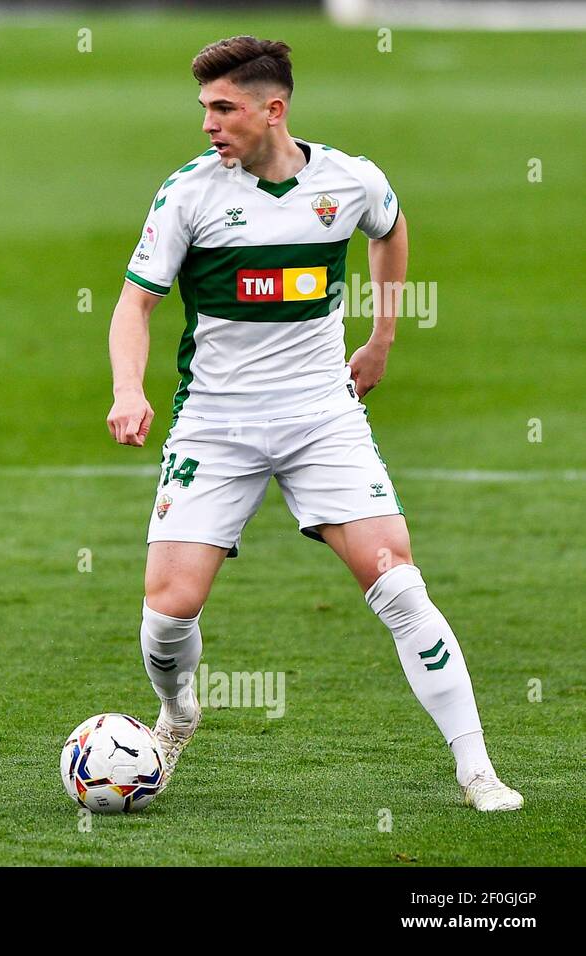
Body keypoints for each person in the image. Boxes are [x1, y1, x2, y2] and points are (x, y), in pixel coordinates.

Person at [106, 35, 522, 811]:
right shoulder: (189, 194)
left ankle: (477, 770)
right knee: (169, 609)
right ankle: (176, 713)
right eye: (203, 107)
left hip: (321, 417)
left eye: (223, 107)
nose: (208, 123)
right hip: (216, 424)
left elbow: (391, 229)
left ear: (274, 109)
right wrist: (128, 388)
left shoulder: (349, 181)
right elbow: (136, 304)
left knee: (397, 580)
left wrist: (382, 336)